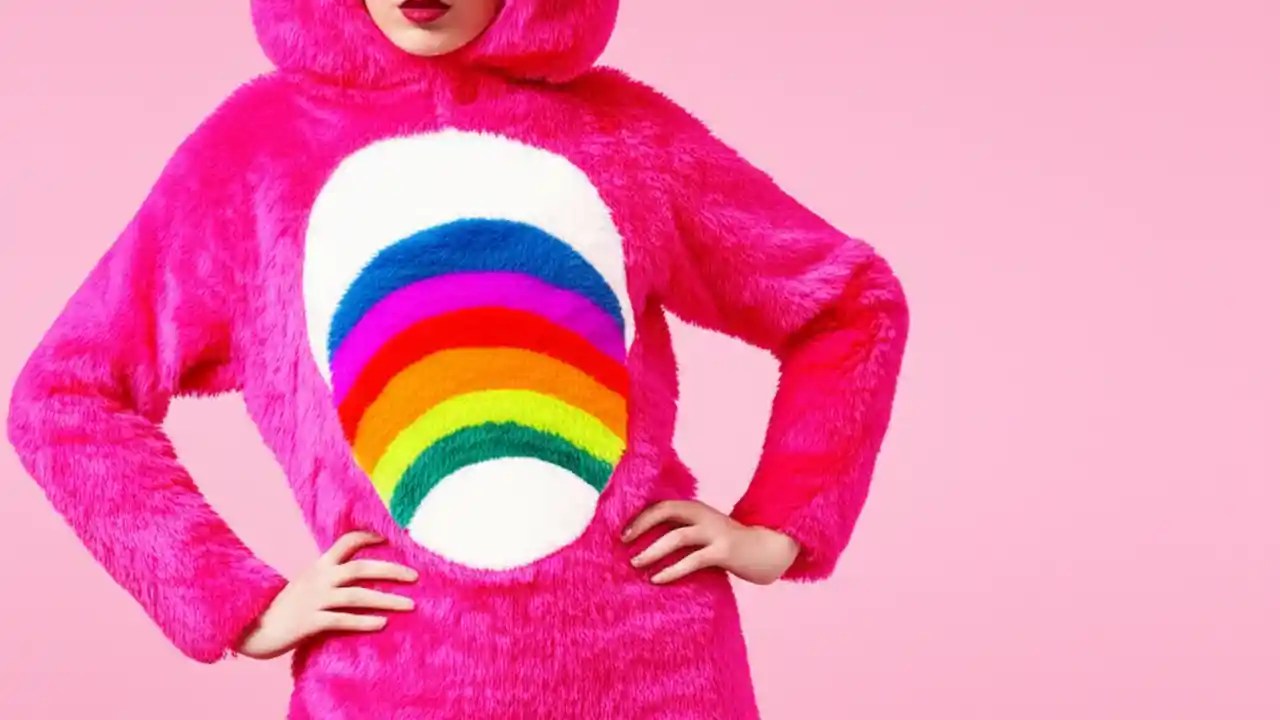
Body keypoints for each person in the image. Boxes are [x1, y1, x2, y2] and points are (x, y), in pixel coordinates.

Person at [6, 1, 910, 717]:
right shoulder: (254, 156)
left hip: (660, 676)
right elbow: (66, 394)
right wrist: (233, 601)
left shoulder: (627, 135)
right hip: (389, 687)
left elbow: (847, 304)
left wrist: (781, 526)